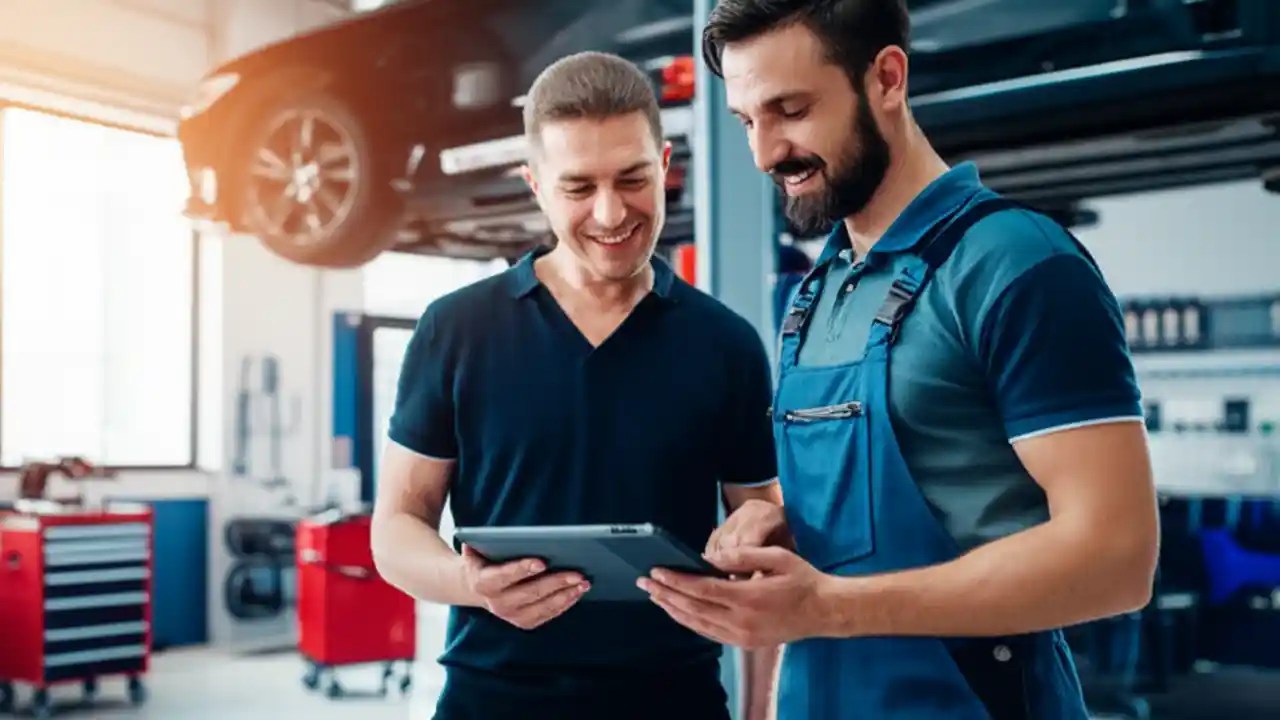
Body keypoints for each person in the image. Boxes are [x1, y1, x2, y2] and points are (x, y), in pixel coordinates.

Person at [639, 2, 1161, 718]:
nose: (765, 154)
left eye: (790, 109)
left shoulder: (1018, 264)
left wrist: (829, 607)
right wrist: (785, 525)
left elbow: (1117, 557)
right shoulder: (819, 289)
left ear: (886, 78)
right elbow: (919, 493)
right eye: (746, 121)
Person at [370, 51, 783, 720]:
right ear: (535, 184)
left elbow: (762, 548)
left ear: (666, 164)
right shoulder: (456, 330)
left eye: (632, 178)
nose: (611, 212)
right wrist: (469, 583)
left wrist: (762, 713)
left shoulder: (726, 345)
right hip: (492, 701)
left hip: (674, 702)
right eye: (578, 187)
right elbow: (395, 528)